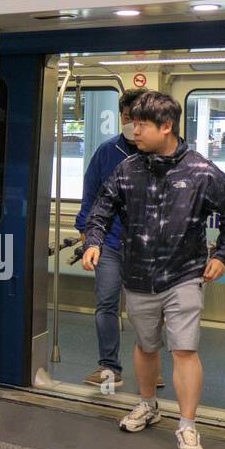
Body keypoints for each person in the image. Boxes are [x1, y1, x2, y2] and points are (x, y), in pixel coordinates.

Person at [81, 91, 225, 449]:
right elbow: (101, 211)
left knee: (184, 348)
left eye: (141, 124)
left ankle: (187, 426)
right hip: (137, 274)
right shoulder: (128, 170)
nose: (133, 130)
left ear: (166, 126)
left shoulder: (203, 172)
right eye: (132, 123)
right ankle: (148, 405)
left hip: (184, 274)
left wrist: (223, 255)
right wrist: (93, 242)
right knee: (146, 346)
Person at [74, 87, 149, 389]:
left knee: (145, 310)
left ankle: (149, 365)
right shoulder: (107, 152)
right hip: (109, 241)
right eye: (126, 117)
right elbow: (90, 195)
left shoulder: (161, 154)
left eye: (137, 118)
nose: (131, 124)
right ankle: (109, 367)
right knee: (106, 303)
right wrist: (87, 234)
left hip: (145, 247)